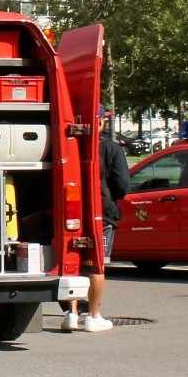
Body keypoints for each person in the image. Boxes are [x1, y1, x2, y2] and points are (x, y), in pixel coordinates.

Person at [64, 128, 131, 332]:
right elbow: (122, 184)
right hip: (101, 213)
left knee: (72, 262)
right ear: (100, 121)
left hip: (71, 212)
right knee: (97, 264)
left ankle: (72, 314)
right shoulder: (111, 148)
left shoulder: (70, 143)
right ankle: (93, 315)